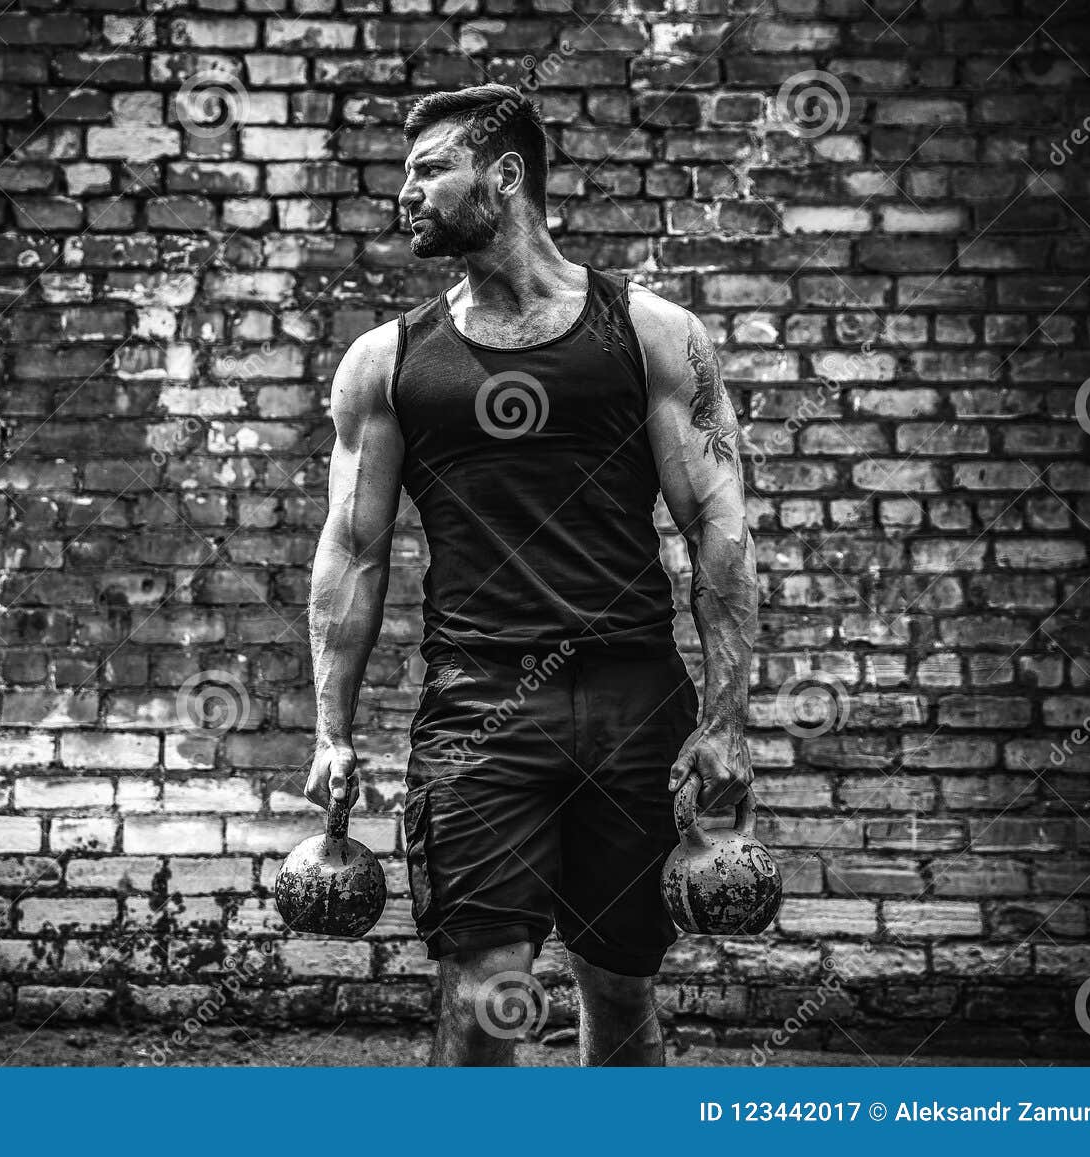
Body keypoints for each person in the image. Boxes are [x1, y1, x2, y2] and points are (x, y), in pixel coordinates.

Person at [304, 84, 758, 1066]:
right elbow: (353, 551)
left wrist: (723, 721)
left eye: (429, 170)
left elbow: (717, 532)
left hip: (634, 699)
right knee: (481, 994)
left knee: (623, 991)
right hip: (478, 709)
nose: (405, 192)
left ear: (505, 174)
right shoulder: (386, 363)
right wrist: (331, 730)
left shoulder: (653, 335)